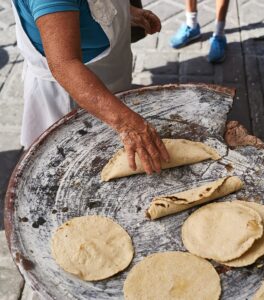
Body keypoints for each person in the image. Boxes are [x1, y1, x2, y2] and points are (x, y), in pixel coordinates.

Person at [12, 0, 170, 175]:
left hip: (109, 80)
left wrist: (125, 12)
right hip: (72, 95)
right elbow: (65, 65)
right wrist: (128, 125)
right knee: (74, 169)